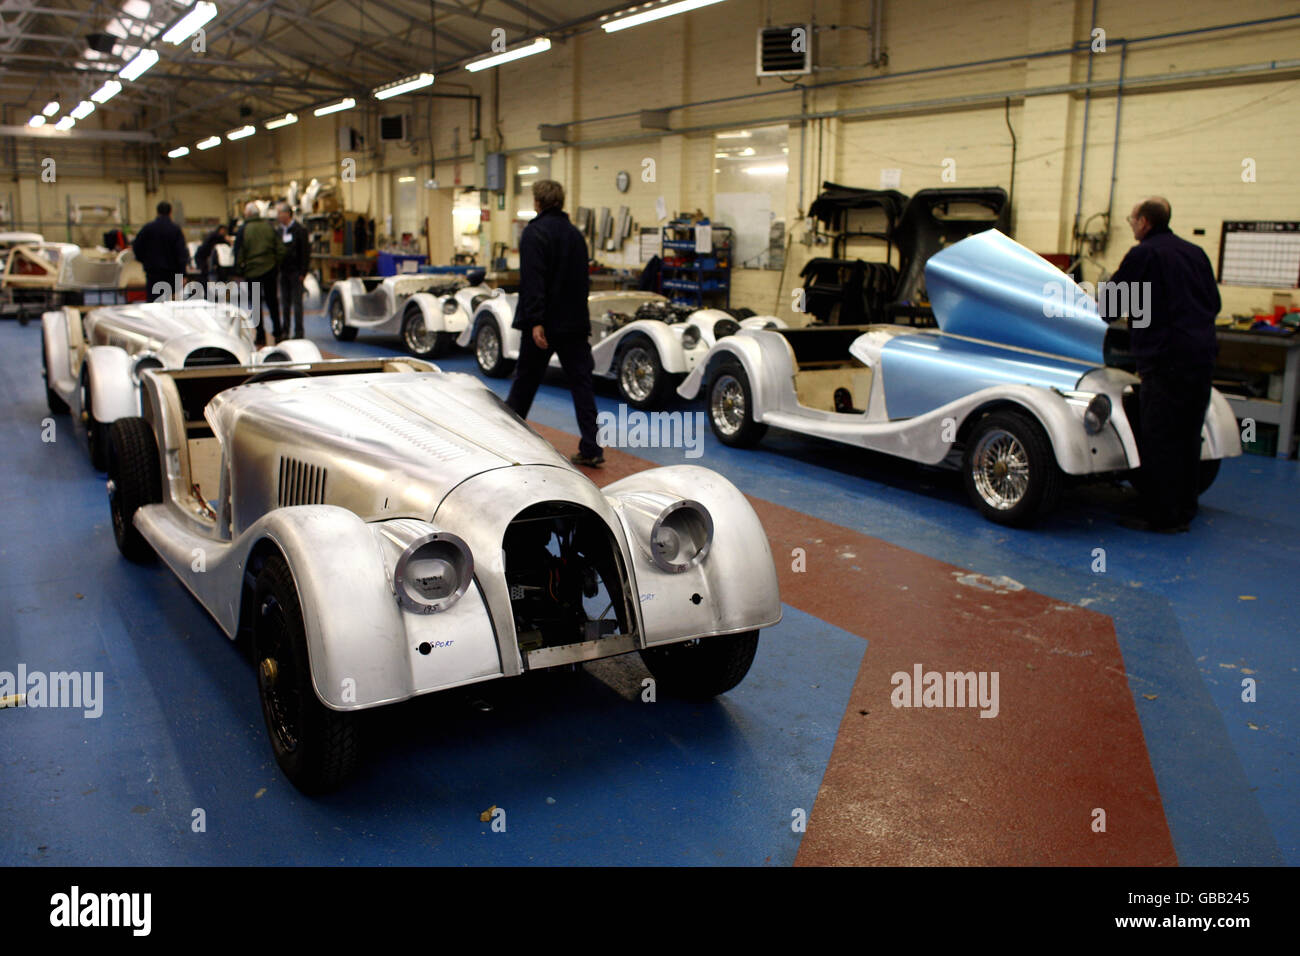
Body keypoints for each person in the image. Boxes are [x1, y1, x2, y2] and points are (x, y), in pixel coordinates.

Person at [1103, 197, 1220, 533]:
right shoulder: (1195, 253)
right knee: (1187, 435)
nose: (1132, 225)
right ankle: (1184, 508)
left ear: (1144, 222)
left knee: (1160, 437)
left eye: (1131, 219)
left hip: (1165, 360)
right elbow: (1213, 302)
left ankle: (1161, 515)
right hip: (1201, 358)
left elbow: (1110, 308)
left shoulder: (1144, 254)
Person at [505, 180, 603, 467]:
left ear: (537, 202)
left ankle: (505, 443)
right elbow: (582, 283)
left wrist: (535, 320)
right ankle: (592, 448)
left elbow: (533, 280)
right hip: (574, 324)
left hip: (544, 326)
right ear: (561, 201)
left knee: (524, 385)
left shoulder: (534, 233)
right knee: (582, 385)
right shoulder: (575, 236)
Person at [233, 202, 284, 345]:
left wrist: (239, 270)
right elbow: (280, 248)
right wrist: (275, 264)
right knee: (272, 302)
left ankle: (260, 335)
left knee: (256, 304)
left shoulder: (244, 229)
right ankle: (278, 333)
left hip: (252, 271)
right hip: (269, 269)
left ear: (247, 214)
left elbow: (238, 252)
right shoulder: (269, 227)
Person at [131, 201, 188, 302]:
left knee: (154, 304)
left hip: (153, 273)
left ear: (157, 212)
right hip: (172, 274)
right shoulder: (175, 230)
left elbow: (136, 247)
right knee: (171, 304)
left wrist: (144, 261)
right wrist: (183, 274)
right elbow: (181, 254)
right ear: (171, 213)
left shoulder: (147, 229)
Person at [275, 202, 311, 339]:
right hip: (283, 272)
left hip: (296, 272)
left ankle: (299, 332)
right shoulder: (279, 231)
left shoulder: (299, 230)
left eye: (280, 213)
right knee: (285, 303)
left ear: (287, 214)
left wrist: (303, 272)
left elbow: (305, 252)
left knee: (297, 303)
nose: (278, 216)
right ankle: (285, 330)